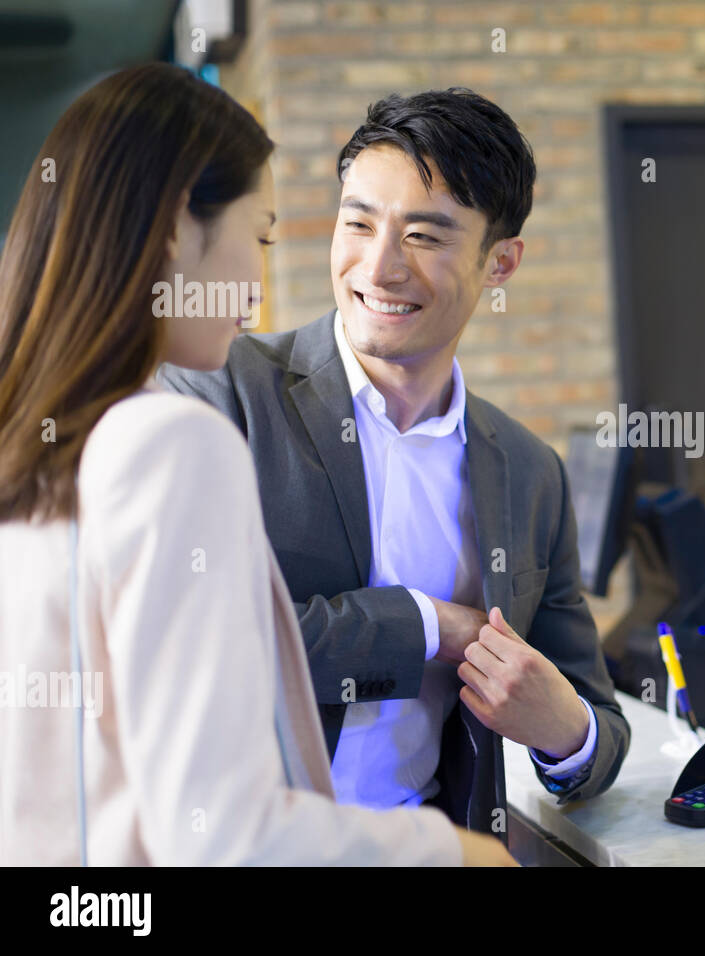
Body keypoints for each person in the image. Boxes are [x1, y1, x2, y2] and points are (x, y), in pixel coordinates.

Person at [0, 63, 514, 866]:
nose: (262, 279)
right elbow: (226, 838)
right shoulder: (171, 442)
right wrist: (456, 854)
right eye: (262, 234)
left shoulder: (44, 445)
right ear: (177, 228)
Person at [160, 90, 630, 831]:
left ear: (500, 262)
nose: (378, 268)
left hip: (420, 844)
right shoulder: (222, 391)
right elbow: (199, 639)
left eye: (424, 236)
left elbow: (597, 720)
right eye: (358, 223)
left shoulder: (530, 473)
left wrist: (565, 728)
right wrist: (429, 626)